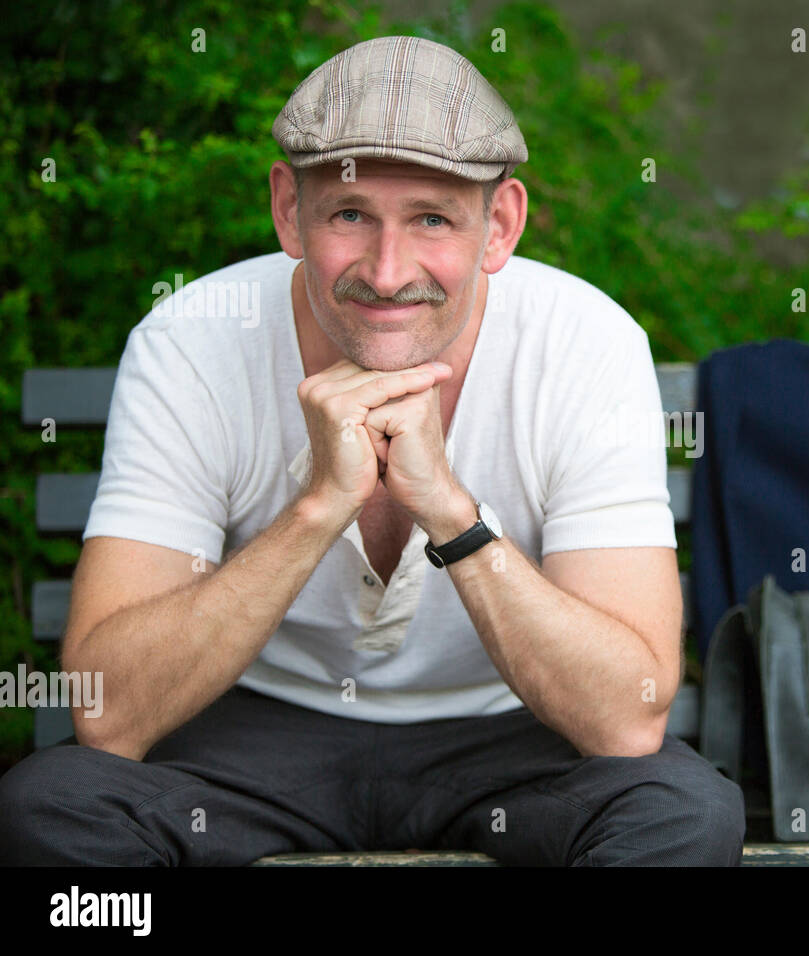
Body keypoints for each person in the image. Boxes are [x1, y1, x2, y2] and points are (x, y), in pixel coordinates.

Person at [0, 35, 744, 866]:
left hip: (511, 740)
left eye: (432, 219)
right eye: (350, 215)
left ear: (500, 226)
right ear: (290, 209)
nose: (388, 274)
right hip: (252, 744)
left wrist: (451, 513)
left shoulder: (588, 343)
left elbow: (626, 716)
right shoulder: (189, 341)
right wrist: (320, 504)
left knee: (683, 815)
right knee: (51, 808)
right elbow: (108, 712)